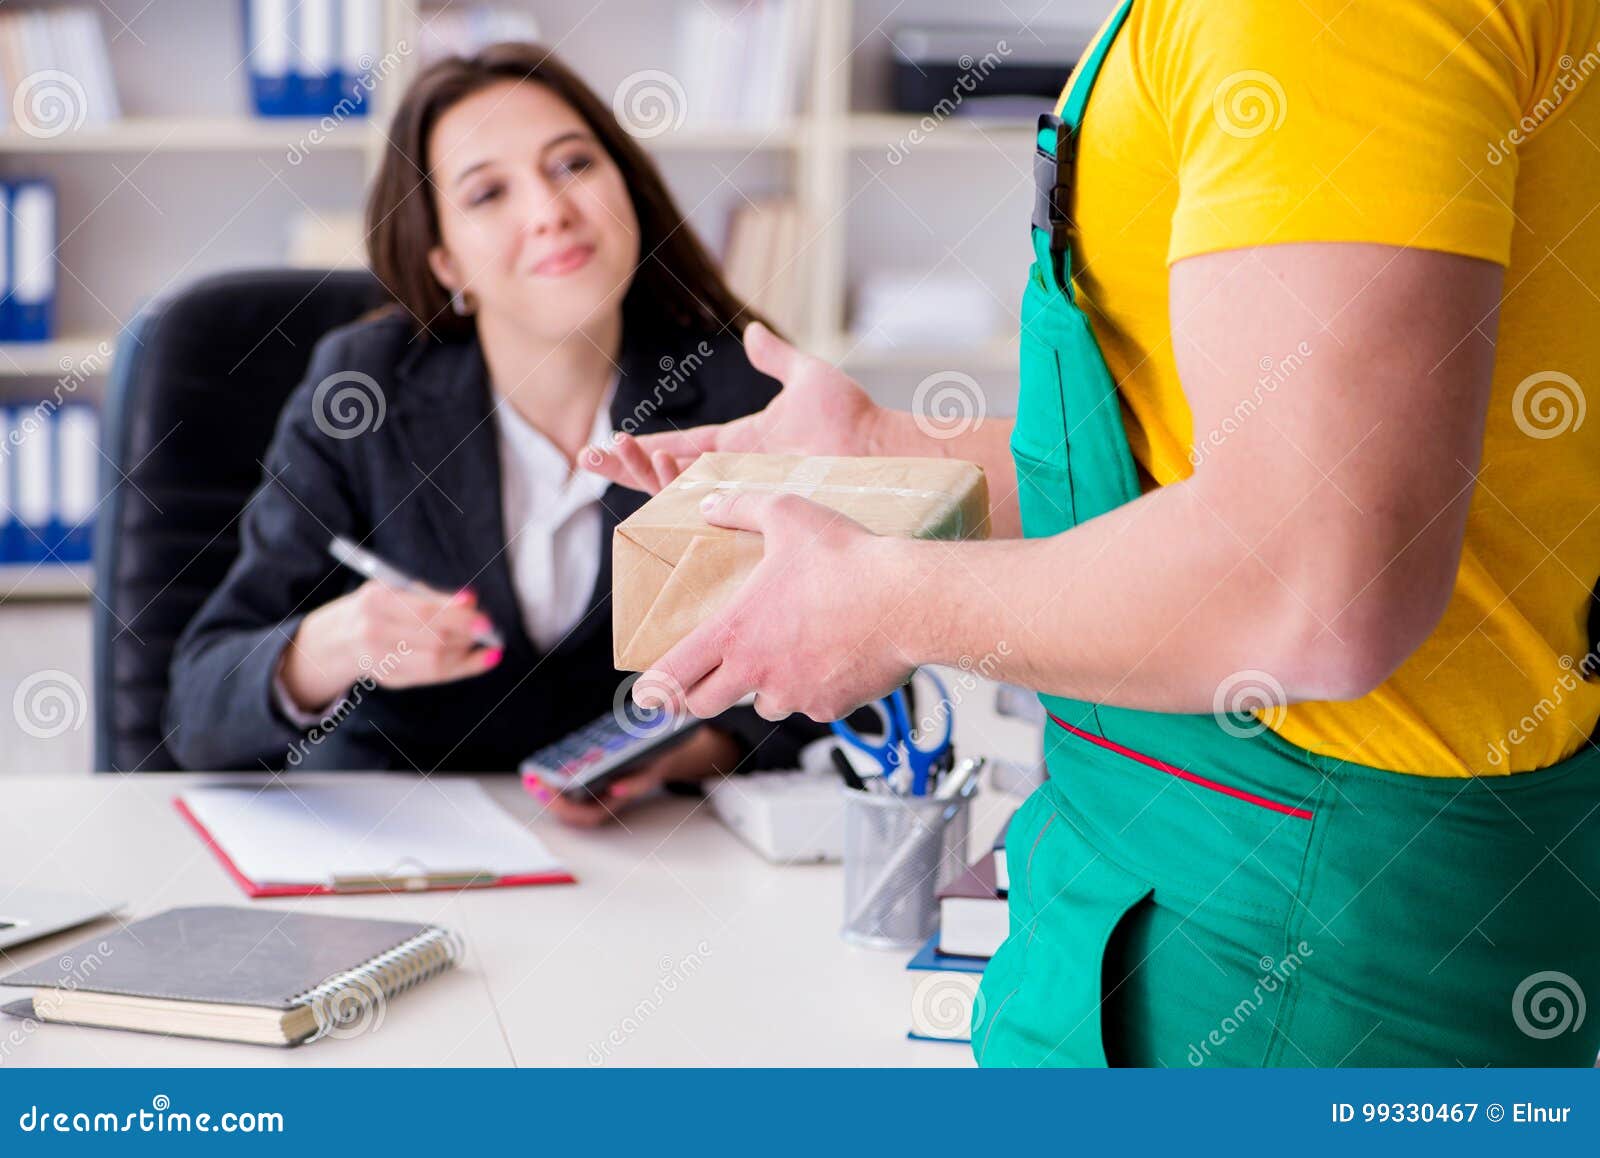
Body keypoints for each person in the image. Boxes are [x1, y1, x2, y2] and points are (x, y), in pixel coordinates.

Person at [591, 0, 1600, 1064]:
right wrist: (881, 447)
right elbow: (1210, 477)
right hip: (1206, 883)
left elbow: (1311, 585)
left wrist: (882, 604)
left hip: (1281, 950)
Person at [166, 43, 820, 823]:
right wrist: (332, 645)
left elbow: (852, 674)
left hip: (651, 858)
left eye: (573, 165)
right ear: (446, 262)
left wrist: (689, 749)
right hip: (399, 846)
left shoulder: (741, 392)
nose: (549, 211)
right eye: (487, 194)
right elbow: (194, 710)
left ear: (628, 188)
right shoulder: (362, 391)